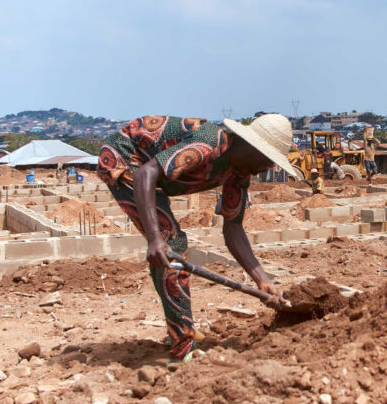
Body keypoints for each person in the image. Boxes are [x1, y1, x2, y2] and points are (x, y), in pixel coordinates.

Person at [97, 113, 297, 363]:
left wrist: (262, 279)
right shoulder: (209, 142)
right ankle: (182, 344)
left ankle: (179, 328)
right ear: (251, 146)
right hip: (126, 160)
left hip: (148, 174)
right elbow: (144, 175)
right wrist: (154, 239)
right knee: (172, 242)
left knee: (167, 247)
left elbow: (233, 228)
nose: (269, 167)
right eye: (268, 159)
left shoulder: (238, 174)